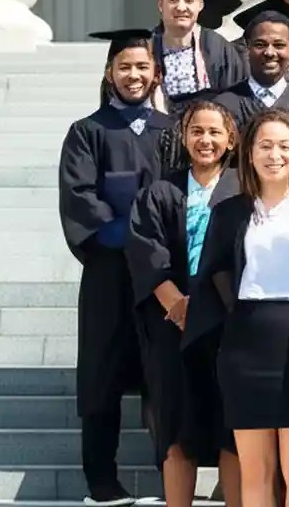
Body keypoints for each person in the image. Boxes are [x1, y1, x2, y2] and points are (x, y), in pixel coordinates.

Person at [191, 110, 289, 507]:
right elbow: (213, 273)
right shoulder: (229, 212)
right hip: (245, 346)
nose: (274, 155)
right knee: (255, 476)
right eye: (265, 145)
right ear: (249, 153)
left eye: (284, 145)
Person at [58, 29, 174, 507]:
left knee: (164, 375)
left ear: (156, 73)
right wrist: (132, 242)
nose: (133, 75)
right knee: (103, 375)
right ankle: (101, 482)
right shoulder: (88, 131)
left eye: (142, 67)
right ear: (109, 73)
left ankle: (172, 477)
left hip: (163, 277)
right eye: (124, 67)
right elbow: (80, 200)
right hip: (110, 273)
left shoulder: (174, 132)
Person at [126, 101, 243, 507]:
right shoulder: (160, 192)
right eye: (197, 131)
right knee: (176, 428)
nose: (206, 140)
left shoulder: (244, 189)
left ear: (231, 138)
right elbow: (147, 253)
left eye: (215, 132)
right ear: (184, 136)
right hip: (172, 325)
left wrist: (215, 307)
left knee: (233, 431)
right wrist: (177, 305)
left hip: (231, 325)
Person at [152, 0, 248, 115]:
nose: (181, 7)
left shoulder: (219, 48)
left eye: (189, 0)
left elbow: (237, 101)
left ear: (200, 5)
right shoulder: (146, 49)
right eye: (173, 0)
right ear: (160, 5)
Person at [217, 0, 289, 129]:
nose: (269, 52)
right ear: (247, 47)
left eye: (279, 45)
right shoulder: (224, 106)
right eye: (260, 45)